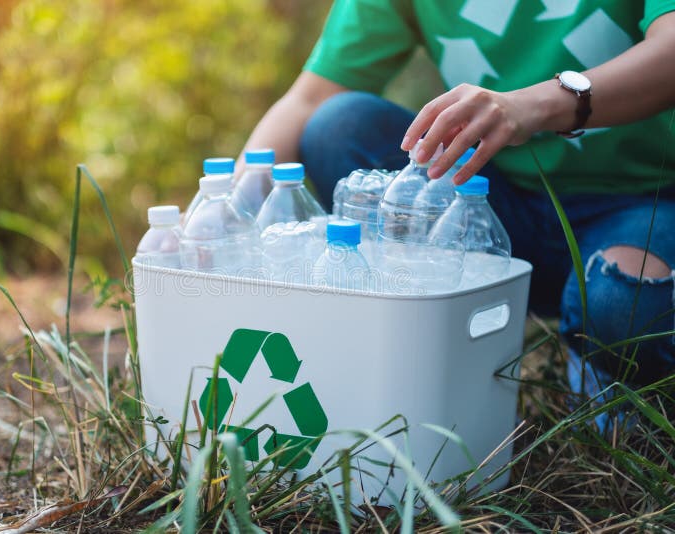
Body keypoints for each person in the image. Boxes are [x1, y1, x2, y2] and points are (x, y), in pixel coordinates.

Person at [239, 1, 675, 403]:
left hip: (640, 200)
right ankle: (418, 347)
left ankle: (603, 367)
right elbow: (310, 97)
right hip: (485, 205)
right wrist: (232, 213)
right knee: (341, 124)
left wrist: (531, 106)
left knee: (624, 300)